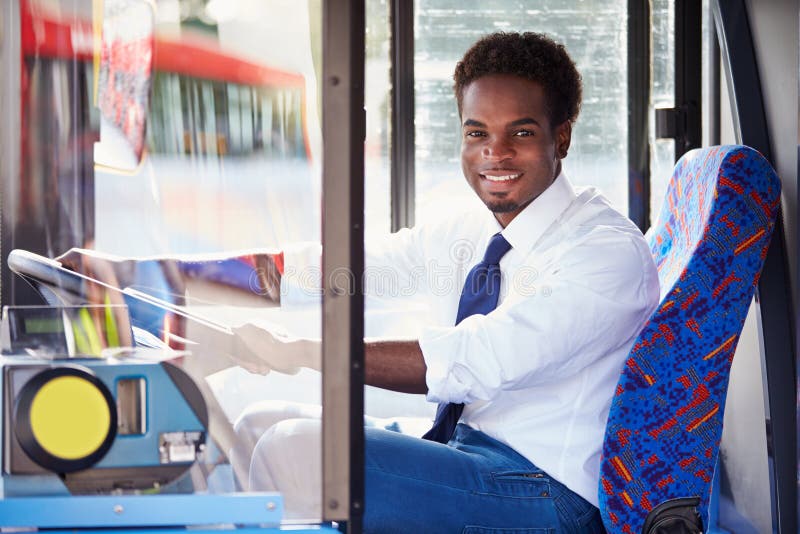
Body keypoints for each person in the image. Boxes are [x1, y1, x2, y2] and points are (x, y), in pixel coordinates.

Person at [60, 31, 658, 533]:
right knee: (256, 426)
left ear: (562, 137)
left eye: (521, 133)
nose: (493, 153)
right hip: (472, 452)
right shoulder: (473, 229)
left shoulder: (604, 254)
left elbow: (472, 360)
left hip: (545, 495)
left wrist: (288, 351)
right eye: (477, 132)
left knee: (294, 452)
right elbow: (338, 272)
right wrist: (149, 271)